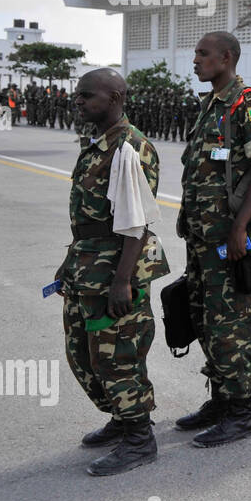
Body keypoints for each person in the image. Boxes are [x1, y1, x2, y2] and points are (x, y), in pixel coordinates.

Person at [57, 68, 170, 475]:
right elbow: (88, 219)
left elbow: (136, 224)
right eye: (78, 95)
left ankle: (139, 438)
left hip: (115, 272)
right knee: (82, 354)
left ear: (116, 97)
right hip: (87, 266)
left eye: (88, 95)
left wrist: (122, 281)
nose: (79, 101)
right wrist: (69, 263)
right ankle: (123, 418)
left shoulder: (130, 147)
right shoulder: (100, 145)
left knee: (118, 356)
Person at [174, 32, 251, 447]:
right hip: (201, 234)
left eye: (203, 54)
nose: (195, 60)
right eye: (195, 53)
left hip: (226, 236)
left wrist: (240, 228)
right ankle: (220, 399)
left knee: (229, 321)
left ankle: (242, 411)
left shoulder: (247, 102)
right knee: (203, 316)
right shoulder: (211, 104)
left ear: (226, 57)